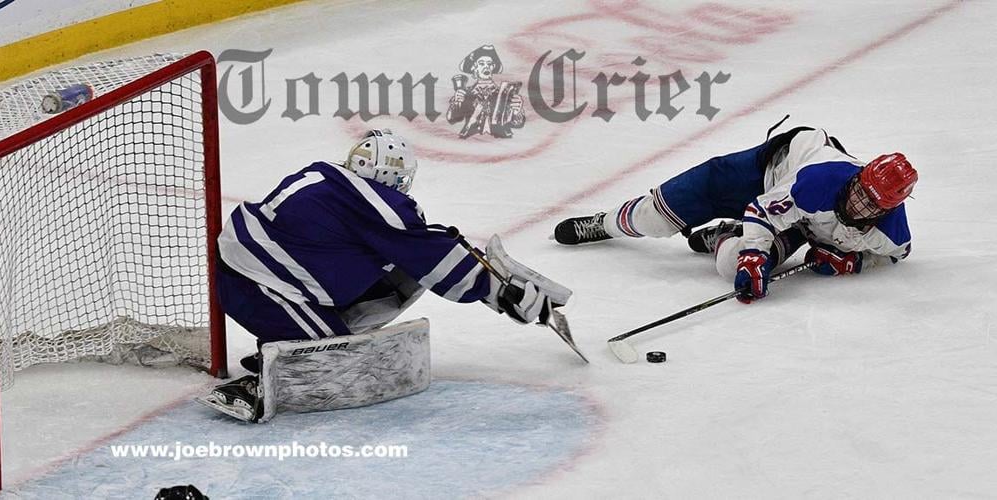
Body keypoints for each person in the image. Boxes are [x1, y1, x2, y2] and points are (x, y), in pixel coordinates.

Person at [201, 129, 567, 422]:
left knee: (408, 267)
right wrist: (499, 292)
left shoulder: (330, 178)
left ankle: (294, 341)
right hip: (259, 287)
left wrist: (487, 281)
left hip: (254, 271)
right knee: (334, 359)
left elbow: (424, 247)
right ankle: (262, 381)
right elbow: (430, 250)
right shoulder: (375, 204)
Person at [553, 125, 917, 304]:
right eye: (859, 192)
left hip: (800, 223)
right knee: (656, 216)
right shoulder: (817, 180)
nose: (858, 204)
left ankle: (727, 234)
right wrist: (756, 255)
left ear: (889, 208)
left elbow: (893, 257)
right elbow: (763, 209)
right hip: (764, 174)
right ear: (858, 176)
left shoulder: (892, 231)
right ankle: (603, 223)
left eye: (871, 204)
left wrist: (854, 264)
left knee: (731, 266)